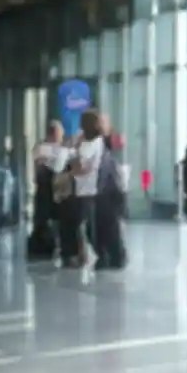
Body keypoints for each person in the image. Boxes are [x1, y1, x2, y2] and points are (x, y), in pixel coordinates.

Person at [60, 111, 106, 269]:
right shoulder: (81, 138)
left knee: (84, 224)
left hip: (88, 188)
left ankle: (92, 253)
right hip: (76, 187)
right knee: (73, 222)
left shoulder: (96, 142)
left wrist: (71, 172)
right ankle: (77, 254)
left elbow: (84, 166)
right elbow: (73, 154)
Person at [93, 113, 128, 270]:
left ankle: (115, 255)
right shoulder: (93, 141)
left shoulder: (111, 141)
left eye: (103, 123)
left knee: (111, 223)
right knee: (100, 225)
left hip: (111, 188)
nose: (101, 126)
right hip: (101, 189)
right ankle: (105, 254)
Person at [28, 121, 65, 260]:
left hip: (53, 190)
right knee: (43, 218)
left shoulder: (50, 149)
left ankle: (50, 243)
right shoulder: (43, 148)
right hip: (46, 190)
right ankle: (43, 244)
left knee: (50, 218)